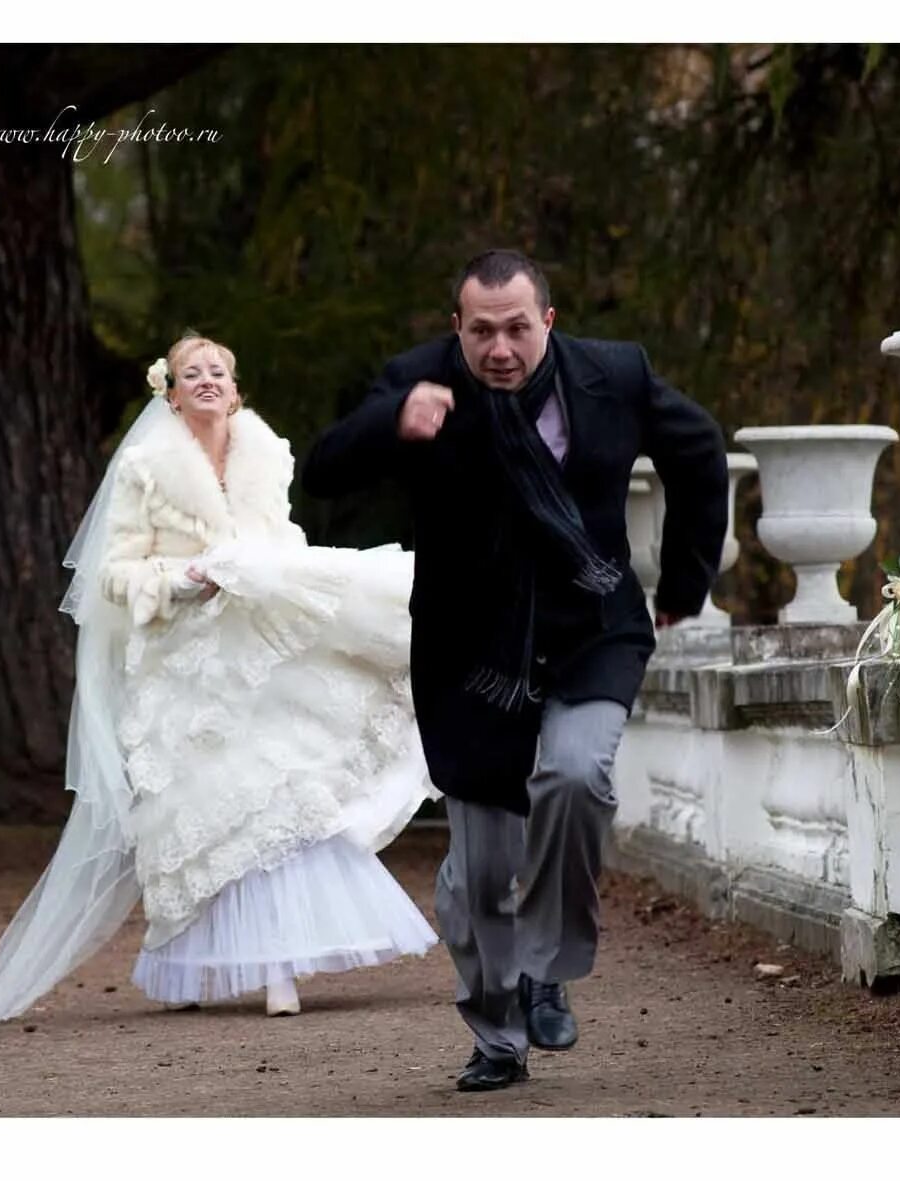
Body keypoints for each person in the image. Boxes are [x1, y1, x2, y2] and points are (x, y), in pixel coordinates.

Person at [301, 250, 730, 1091]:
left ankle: (548, 966)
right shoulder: (417, 381)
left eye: (518, 328)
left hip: (591, 625)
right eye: (482, 331)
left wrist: (684, 581)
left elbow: (700, 451)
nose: (501, 348)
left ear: (550, 322)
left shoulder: (614, 373)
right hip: (472, 651)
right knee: (479, 873)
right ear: (455, 327)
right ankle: (498, 1037)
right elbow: (322, 470)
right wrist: (393, 419)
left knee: (575, 775)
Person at [0, 333, 437, 1024]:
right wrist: (178, 584)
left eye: (218, 371)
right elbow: (115, 571)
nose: (207, 380)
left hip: (259, 647)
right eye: (192, 373)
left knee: (276, 790)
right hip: (182, 657)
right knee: (196, 807)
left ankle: (279, 966)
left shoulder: (265, 453)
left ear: (235, 389)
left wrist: (282, 580)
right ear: (172, 392)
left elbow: (282, 538)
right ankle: (190, 960)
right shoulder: (146, 467)